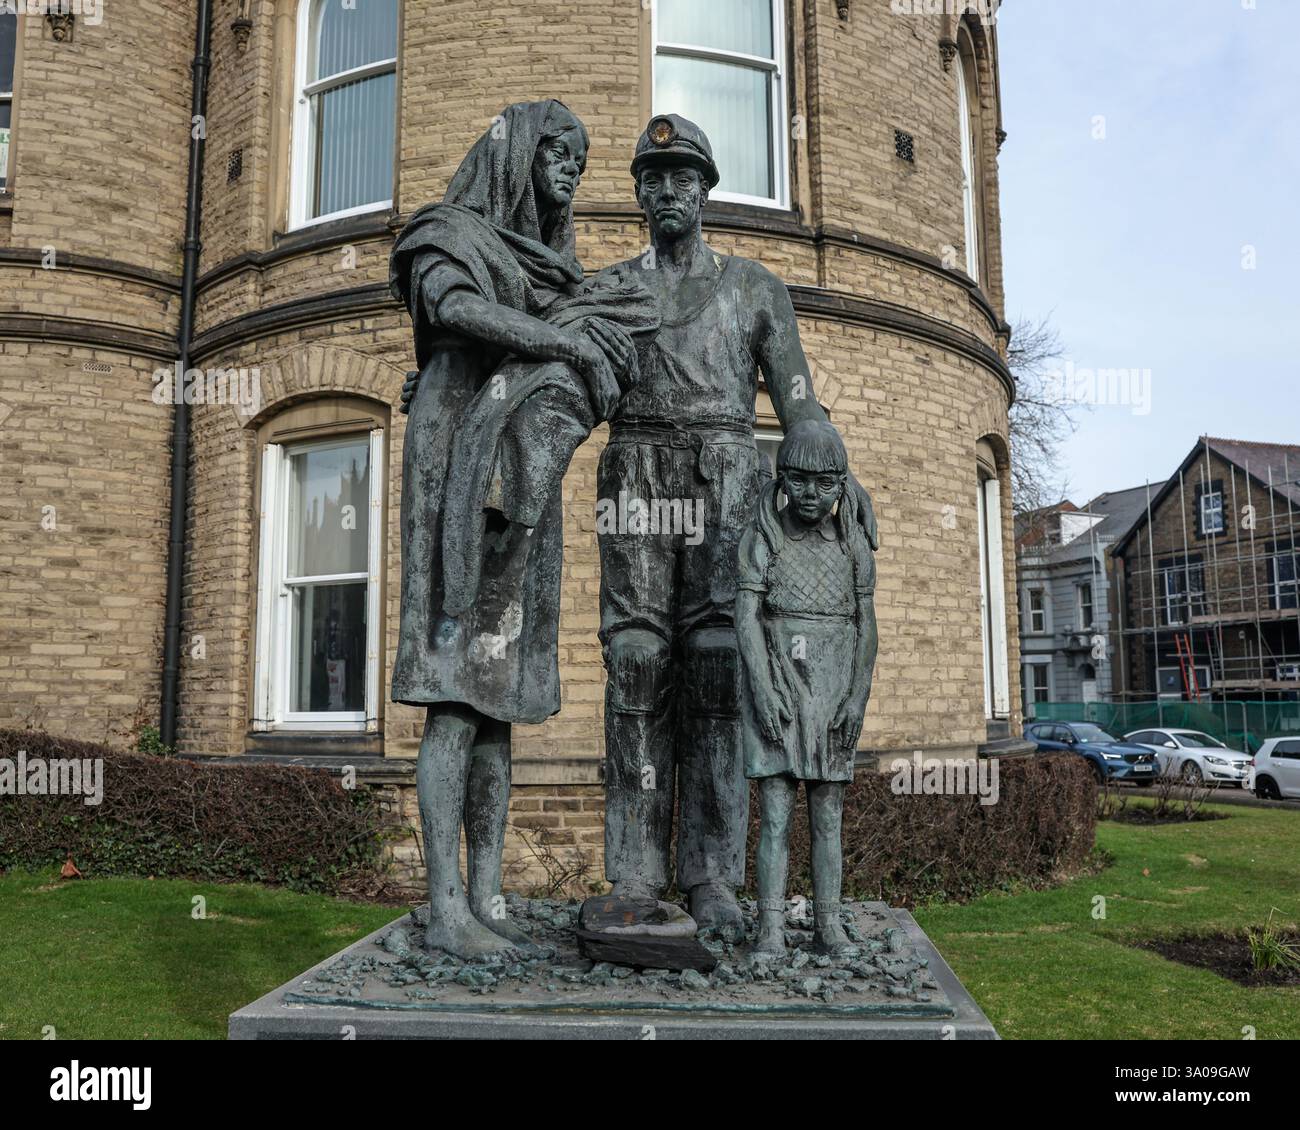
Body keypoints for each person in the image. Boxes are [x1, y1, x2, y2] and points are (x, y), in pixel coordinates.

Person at [593, 116, 880, 939]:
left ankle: (713, 874)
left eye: (684, 176)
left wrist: (838, 470)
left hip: (727, 474)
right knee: (638, 663)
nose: (669, 189)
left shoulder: (755, 289)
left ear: (705, 190)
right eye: (654, 177)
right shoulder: (611, 287)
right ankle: (636, 872)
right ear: (641, 193)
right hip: (639, 477)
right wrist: (454, 377)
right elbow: (546, 361)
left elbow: (798, 404)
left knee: (721, 665)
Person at [389, 100, 648, 958]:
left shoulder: (552, 264)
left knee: (499, 699)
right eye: (560, 152)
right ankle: (443, 906)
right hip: (452, 457)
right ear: (517, 154)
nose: (573, 170)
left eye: (581, 158)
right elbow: (455, 312)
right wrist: (560, 345)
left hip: (520, 464)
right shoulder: (448, 232)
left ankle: (490, 894)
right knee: (454, 691)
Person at [735, 421, 878, 957]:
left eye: (824, 484)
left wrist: (857, 696)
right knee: (773, 812)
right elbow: (745, 618)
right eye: (798, 481)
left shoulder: (854, 548)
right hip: (777, 684)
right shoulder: (762, 539)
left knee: (828, 816)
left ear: (842, 485)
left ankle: (828, 924)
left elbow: (868, 628)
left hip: (834, 691)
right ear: (782, 479)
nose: (810, 495)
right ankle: (770, 926)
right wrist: (762, 689)